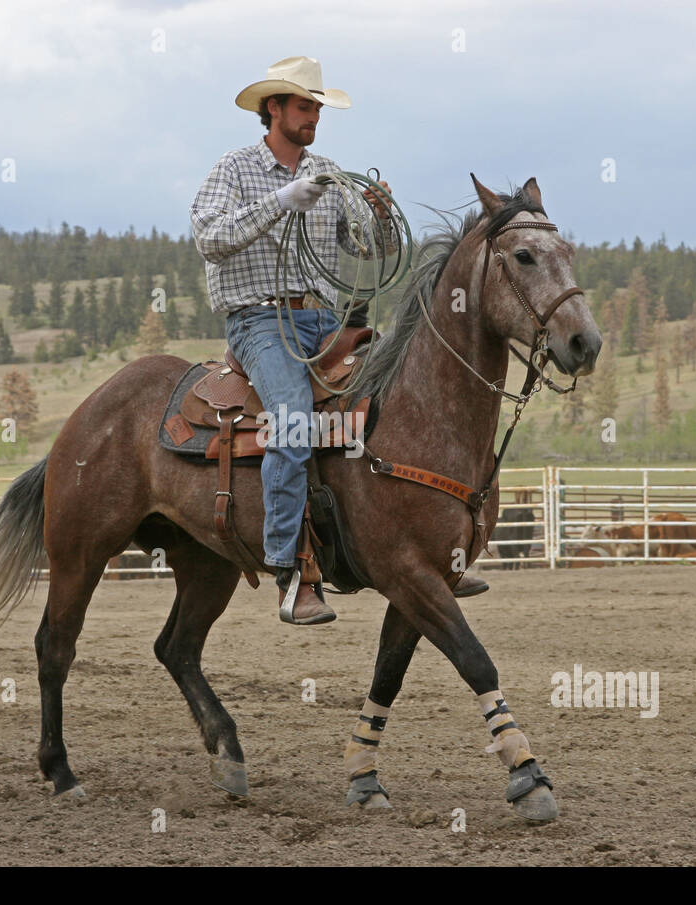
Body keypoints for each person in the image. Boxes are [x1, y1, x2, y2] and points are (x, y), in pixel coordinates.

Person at [191, 55, 485, 624]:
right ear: (273, 109)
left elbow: (366, 249)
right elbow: (210, 238)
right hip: (259, 321)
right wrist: (281, 202)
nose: (314, 118)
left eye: (318, 109)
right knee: (294, 419)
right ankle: (289, 568)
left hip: (323, 320)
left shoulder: (329, 171)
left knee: (407, 395)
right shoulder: (233, 169)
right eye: (304, 107)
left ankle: (428, 549)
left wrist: (376, 217)